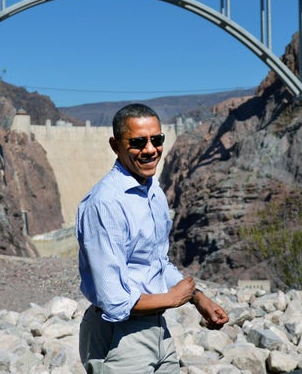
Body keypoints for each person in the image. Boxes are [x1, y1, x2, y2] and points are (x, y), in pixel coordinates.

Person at [76, 103, 229, 373]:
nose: (150, 150)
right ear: (115, 145)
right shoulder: (106, 204)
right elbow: (114, 300)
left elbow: (155, 263)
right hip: (119, 338)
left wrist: (197, 298)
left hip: (158, 331)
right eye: (137, 142)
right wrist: (172, 299)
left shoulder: (153, 191)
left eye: (156, 140)